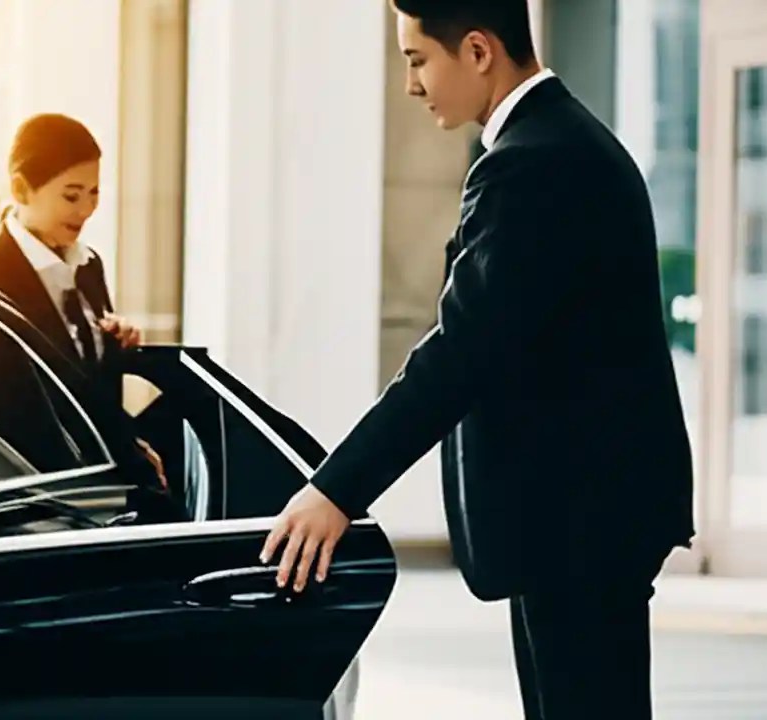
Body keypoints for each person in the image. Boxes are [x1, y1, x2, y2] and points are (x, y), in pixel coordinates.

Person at [260, 2, 695, 719]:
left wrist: (336, 491)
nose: (411, 84)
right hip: (582, 517)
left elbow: (459, 354)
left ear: (478, 50)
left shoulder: (534, 162)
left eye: (417, 60)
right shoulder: (560, 142)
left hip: (578, 524)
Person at [0, 112, 166, 490]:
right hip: (45, 491)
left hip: (106, 481)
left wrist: (115, 344)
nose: (86, 209)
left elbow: (91, 384)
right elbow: (8, 413)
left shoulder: (88, 266)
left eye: (94, 193)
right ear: (21, 189)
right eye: (71, 195)